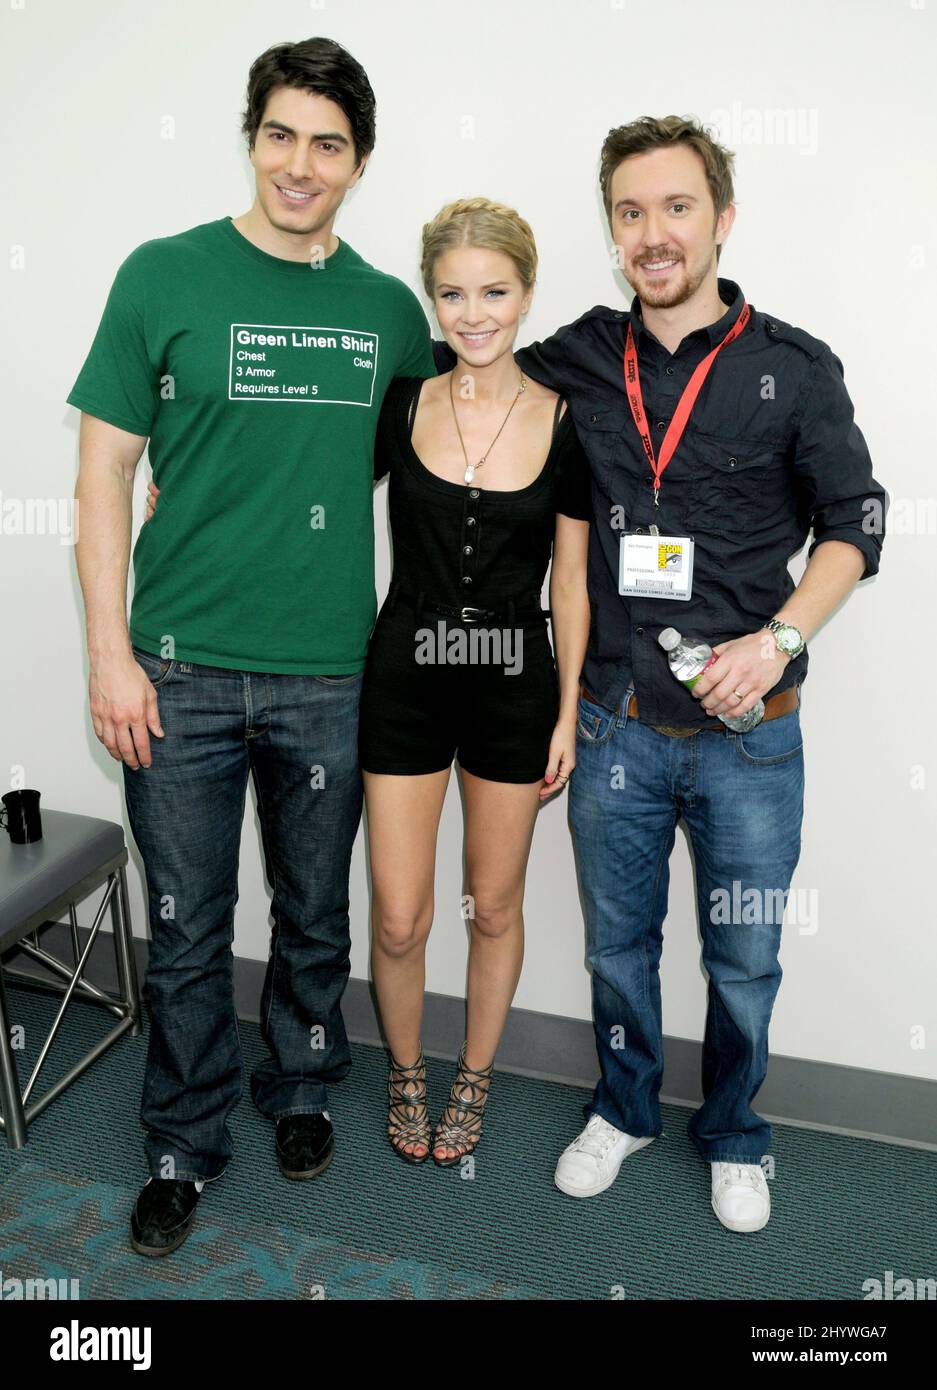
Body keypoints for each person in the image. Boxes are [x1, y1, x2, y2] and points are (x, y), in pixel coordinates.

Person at [435, 116, 887, 1230]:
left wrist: (776, 639)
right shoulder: (580, 356)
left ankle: (735, 1131)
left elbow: (856, 526)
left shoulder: (793, 366)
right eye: (630, 213)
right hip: (617, 725)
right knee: (617, 945)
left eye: (676, 208)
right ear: (611, 230)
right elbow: (452, 382)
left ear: (721, 219)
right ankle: (625, 1107)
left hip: (750, 733)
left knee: (742, 957)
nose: (653, 233)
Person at [68, 37, 437, 1257]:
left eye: (327, 143)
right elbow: (105, 474)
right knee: (184, 921)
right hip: (173, 666)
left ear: (358, 163)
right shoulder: (162, 275)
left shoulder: (388, 311)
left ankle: (299, 1085)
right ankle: (181, 1136)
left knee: (315, 909)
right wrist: (109, 653)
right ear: (251, 138)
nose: (300, 162)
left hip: (332, 668)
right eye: (280, 134)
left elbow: (415, 467)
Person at [146, 198, 594, 1167]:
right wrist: (175, 475)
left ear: (526, 290)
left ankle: (471, 1074)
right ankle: (402, 1069)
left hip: (515, 687)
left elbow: (574, 579)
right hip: (404, 683)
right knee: (397, 913)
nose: (473, 312)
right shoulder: (400, 403)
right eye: (452, 293)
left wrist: (566, 710)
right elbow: (288, 450)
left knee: (496, 904)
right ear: (430, 299)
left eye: (494, 291)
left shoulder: (565, 422)